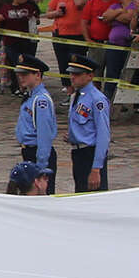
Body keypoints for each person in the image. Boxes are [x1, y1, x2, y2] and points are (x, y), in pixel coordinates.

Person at [64, 58, 112, 191]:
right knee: (80, 192)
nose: (72, 77)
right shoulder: (76, 96)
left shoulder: (97, 99)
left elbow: (103, 135)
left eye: (77, 74)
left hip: (90, 153)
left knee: (93, 195)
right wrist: (73, 135)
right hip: (77, 152)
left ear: (90, 76)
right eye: (71, 73)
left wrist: (96, 168)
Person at [15, 58, 58, 194]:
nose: (21, 77)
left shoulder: (41, 100)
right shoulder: (31, 96)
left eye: (25, 74)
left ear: (37, 75)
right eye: (20, 74)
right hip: (29, 151)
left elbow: (44, 135)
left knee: (41, 196)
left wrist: (41, 167)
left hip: (37, 153)